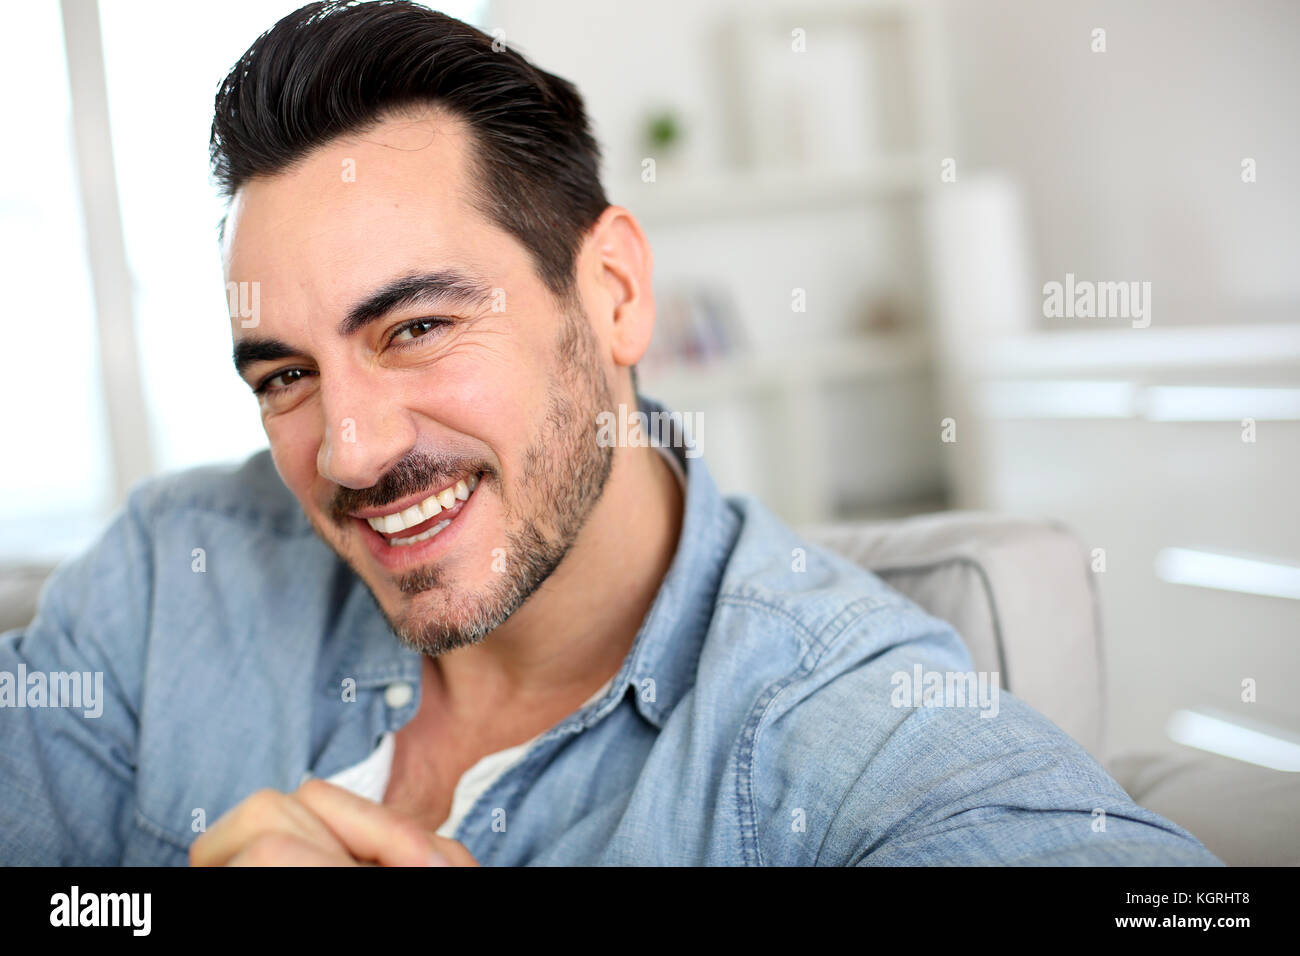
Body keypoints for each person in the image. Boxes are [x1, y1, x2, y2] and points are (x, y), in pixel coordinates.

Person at [0, 0, 1220, 866]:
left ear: (616, 293)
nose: (352, 451)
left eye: (415, 326)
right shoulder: (171, 572)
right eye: (284, 374)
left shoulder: (846, 728)